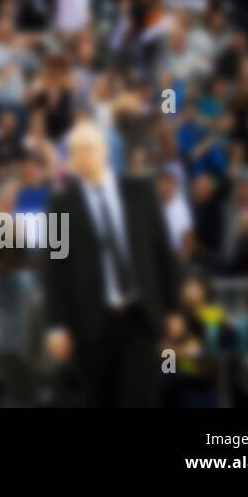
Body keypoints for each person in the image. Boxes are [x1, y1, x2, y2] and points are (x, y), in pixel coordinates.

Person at [43, 122, 180, 406]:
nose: (82, 156)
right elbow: (56, 270)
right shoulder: (60, 204)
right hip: (91, 321)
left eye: (89, 148)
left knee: (140, 398)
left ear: (105, 151)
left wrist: (173, 308)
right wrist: (56, 325)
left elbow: (162, 251)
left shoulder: (140, 190)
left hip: (139, 315)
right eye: (75, 151)